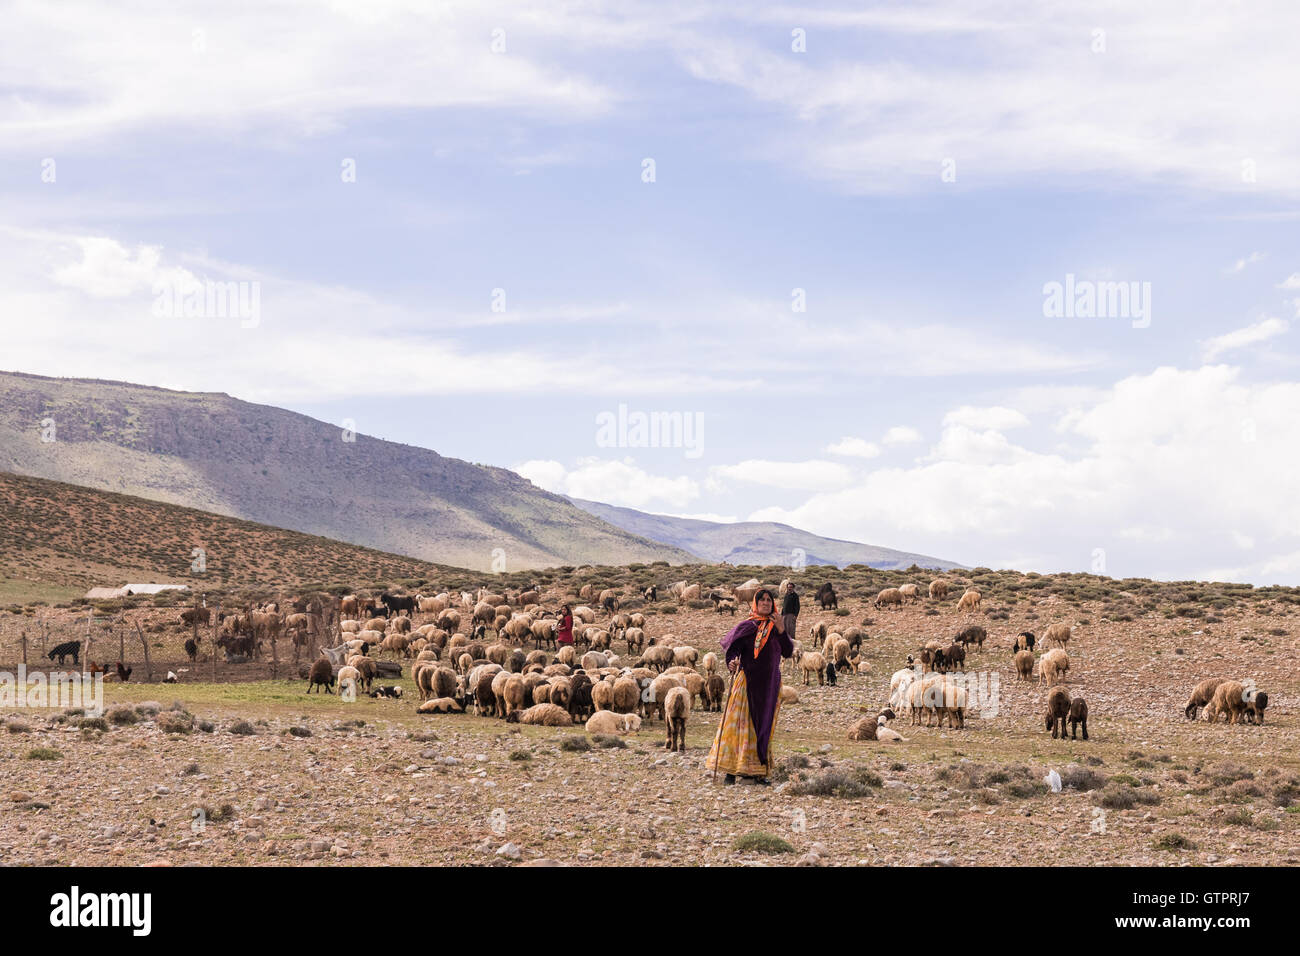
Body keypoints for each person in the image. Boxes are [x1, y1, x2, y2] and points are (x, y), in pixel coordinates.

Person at [707, 588, 794, 785]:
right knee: (740, 725)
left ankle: (756, 772)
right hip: (746, 683)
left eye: (768, 600)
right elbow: (733, 650)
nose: (765, 603)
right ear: (755, 603)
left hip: (769, 685)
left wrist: (781, 630)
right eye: (761, 600)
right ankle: (731, 770)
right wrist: (732, 662)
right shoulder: (747, 626)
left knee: (762, 726)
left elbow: (787, 652)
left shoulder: (776, 627)